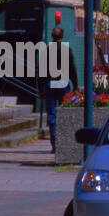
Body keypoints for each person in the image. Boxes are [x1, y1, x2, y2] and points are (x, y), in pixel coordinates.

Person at [44, 25, 77, 154]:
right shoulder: (66, 50)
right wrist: (75, 84)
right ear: (62, 37)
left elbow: (41, 71)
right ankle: (64, 141)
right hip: (63, 83)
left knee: (52, 115)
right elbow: (72, 69)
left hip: (50, 84)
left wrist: (40, 88)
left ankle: (54, 142)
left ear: (52, 37)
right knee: (65, 113)